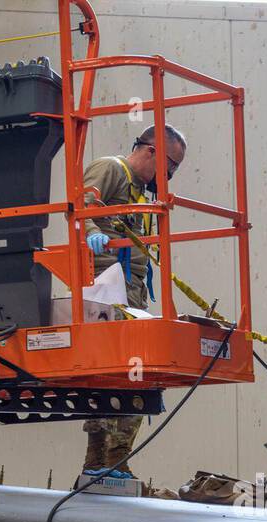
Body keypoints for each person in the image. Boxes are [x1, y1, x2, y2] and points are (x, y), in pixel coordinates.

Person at [79, 125, 188, 477]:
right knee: (137, 376)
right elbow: (81, 206)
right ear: (151, 150)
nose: (169, 176)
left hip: (128, 292)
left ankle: (99, 466)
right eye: (170, 165)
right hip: (104, 289)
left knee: (117, 379)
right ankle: (113, 462)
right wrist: (93, 232)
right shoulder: (111, 169)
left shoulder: (140, 194)